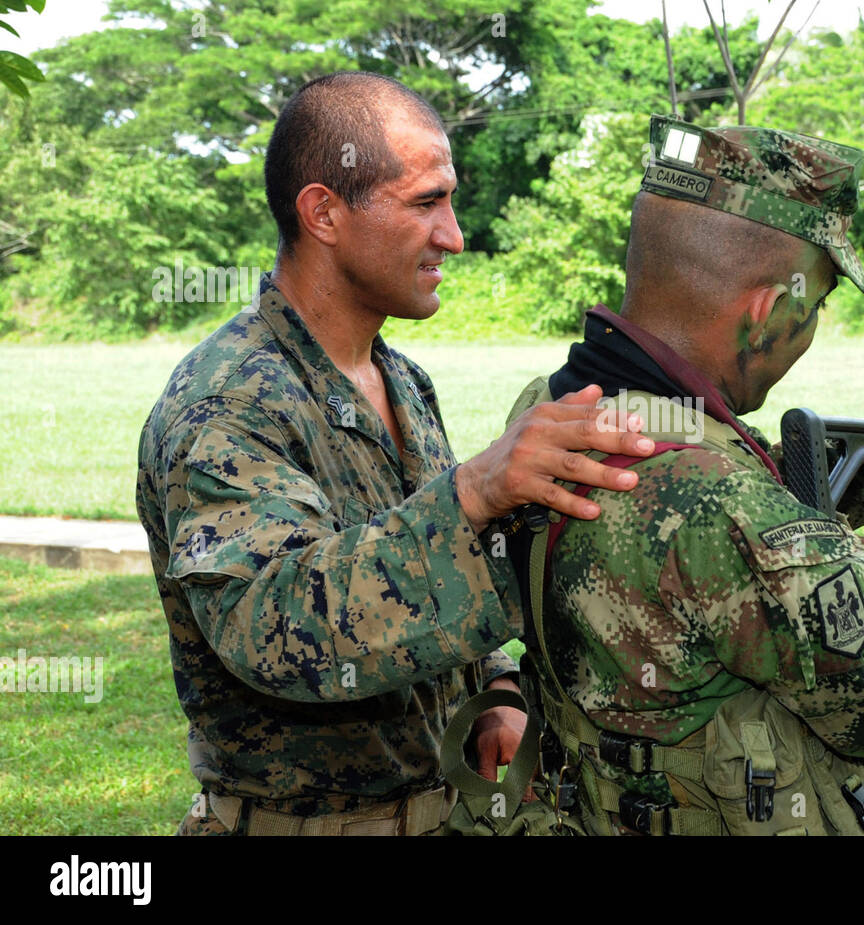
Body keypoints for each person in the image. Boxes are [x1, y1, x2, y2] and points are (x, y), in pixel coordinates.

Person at [135, 72, 653, 836]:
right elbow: (269, 624)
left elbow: (429, 593)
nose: (454, 234)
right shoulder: (230, 400)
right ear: (324, 213)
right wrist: (473, 488)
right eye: (425, 202)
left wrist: (497, 692)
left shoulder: (402, 381)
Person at [509, 115, 864, 835]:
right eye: (816, 303)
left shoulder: (562, 410)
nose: (814, 324)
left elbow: (747, 532)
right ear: (764, 312)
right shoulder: (716, 505)